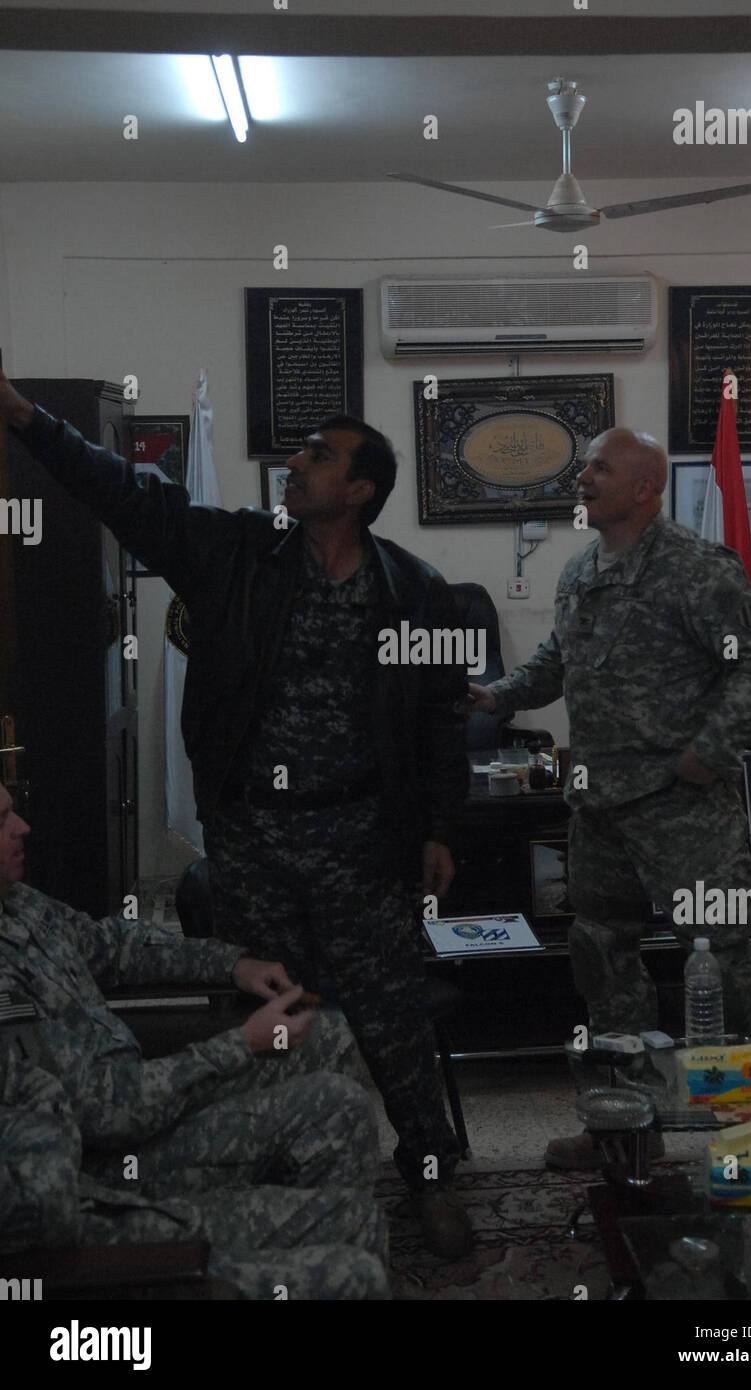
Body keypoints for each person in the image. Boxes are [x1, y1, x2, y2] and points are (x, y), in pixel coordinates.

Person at [0, 373, 471, 1257]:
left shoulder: (415, 592)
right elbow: (124, 489)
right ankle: (271, 1180)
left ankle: (432, 1176)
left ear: (361, 490)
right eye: (300, 451)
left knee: (392, 1018)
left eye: (319, 457)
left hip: (361, 838)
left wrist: (440, 824)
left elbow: (441, 715)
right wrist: (27, 419)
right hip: (254, 835)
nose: (295, 465)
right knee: (270, 1011)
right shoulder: (236, 555)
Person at [466, 427, 751, 1169]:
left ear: (644, 488)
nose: (581, 477)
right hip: (600, 806)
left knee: (726, 958)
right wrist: (492, 694)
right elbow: (560, 660)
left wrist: (709, 752)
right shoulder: (583, 567)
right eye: (584, 464)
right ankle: (622, 1126)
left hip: (684, 808)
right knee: (601, 956)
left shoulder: (693, 568)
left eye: (599, 467)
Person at [0, 778, 384, 1255]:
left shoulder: (18, 906)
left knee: (326, 1037)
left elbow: (116, 947)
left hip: (148, 1099)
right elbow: (102, 1115)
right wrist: (240, 1044)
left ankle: (299, 1247)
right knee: (338, 1107)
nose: (23, 826)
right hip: (110, 1161)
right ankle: (300, 1247)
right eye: (2, 820)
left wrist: (231, 965)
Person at [0, 1047, 389, 1300]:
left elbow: (38, 1084)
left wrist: (232, 967)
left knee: (359, 1216)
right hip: (80, 1260)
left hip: (106, 1188)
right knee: (356, 1274)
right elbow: (43, 1206)